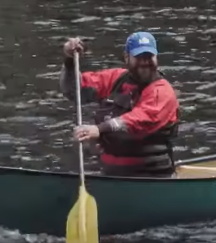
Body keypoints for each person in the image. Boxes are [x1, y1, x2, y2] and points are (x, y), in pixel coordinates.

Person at [60, 32, 181, 177]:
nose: (145, 62)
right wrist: (69, 61)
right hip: (111, 175)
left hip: (152, 178)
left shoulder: (162, 91)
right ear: (126, 58)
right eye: (139, 57)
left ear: (156, 58)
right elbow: (75, 90)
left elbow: (141, 119)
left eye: (149, 57)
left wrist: (99, 129)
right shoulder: (115, 78)